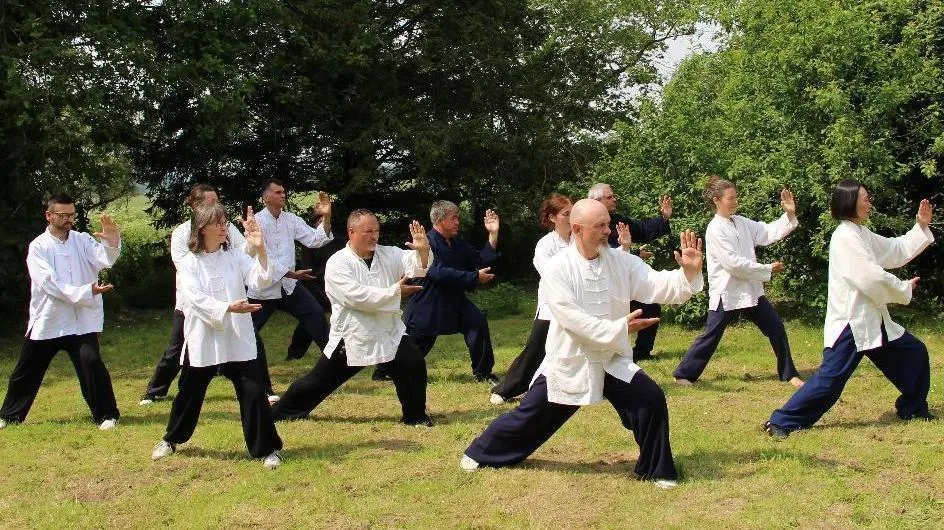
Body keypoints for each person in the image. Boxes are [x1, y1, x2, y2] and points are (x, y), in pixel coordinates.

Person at [461, 199, 704, 490]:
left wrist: (687, 273)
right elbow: (573, 321)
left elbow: (655, 285)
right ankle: (480, 451)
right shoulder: (557, 269)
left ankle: (656, 468)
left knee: (649, 399)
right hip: (570, 360)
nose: (608, 231)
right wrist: (619, 328)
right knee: (530, 418)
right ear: (577, 229)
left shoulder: (621, 261)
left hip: (611, 358)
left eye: (608, 224)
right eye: (600, 226)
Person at [764, 180, 934, 439]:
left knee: (914, 353)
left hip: (873, 319)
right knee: (830, 381)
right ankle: (781, 420)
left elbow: (894, 249)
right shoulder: (845, 237)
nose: (869, 203)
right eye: (865, 198)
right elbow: (870, 277)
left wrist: (920, 226)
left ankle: (913, 408)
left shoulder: (860, 233)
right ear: (850, 202)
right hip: (852, 322)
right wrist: (903, 288)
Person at [151, 203, 284, 469]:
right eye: (218, 223)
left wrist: (260, 248)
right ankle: (171, 439)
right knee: (189, 391)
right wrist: (227, 308)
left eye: (225, 222)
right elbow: (194, 299)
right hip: (204, 337)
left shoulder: (235, 256)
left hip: (237, 336)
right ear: (202, 229)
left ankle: (267, 449)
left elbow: (260, 279)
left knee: (253, 392)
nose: (225, 227)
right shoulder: (189, 263)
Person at [271, 209, 433, 426]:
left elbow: (416, 267)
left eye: (376, 231)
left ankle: (416, 417)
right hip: (353, 334)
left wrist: (423, 250)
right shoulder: (338, 263)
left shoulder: (388, 254)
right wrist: (395, 293)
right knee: (317, 382)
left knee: (412, 364)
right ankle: (280, 413)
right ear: (352, 232)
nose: (374, 236)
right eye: (368, 231)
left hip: (388, 329)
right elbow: (356, 297)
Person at [0, 194, 122, 431]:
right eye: (63, 215)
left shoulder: (82, 240)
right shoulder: (38, 247)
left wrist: (112, 241)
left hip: (81, 320)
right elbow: (49, 284)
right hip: (49, 318)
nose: (68, 220)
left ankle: (107, 414)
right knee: (27, 370)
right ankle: (9, 415)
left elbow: (105, 260)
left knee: (92, 362)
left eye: (71, 215)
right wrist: (86, 292)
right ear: (49, 215)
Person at [673, 177, 803, 387]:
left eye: (736, 197)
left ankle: (789, 374)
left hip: (750, 291)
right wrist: (767, 269)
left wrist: (789, 213)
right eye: (730, 198)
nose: (735, 202)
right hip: (727, 292)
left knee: (776, 327)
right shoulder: (715, 229)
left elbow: (767, 232)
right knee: (711, 335)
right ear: (717, 200)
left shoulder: (741, 222)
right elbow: (733, 264)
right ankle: (684, 374)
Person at [140, 184, 248, 405]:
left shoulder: (227, 228)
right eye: (209, 203)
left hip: (229, 298)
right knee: (178, 348)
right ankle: (155, 390)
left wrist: (256, 247)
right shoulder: (182, 233)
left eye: (217, 202)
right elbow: (184, 267)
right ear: (194, 205)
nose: (214, 207)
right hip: (192, 302)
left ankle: (262, 389)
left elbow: (244, 253)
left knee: (248, 344)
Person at [382, 200, 500, 383]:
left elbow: (481, 259)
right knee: (416, 344)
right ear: (441, 219)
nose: (457, 222)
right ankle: (385, 369)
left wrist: (493, 234)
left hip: (455, 300)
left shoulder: (456, 242)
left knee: (476, 322)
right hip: (429, 302)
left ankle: (483, 372)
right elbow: (438, 273)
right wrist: (473, 277)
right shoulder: (426, 242)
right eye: (454, 218)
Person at [249, 179, 334, 403]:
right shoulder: (257, 221)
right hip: (264, 288)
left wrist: (326, 217)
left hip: (288, 286)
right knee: (249, 332)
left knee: (315, 314)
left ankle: (335, 363)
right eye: (278, 192)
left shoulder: (290, 219)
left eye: (284, 191)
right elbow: (259, 257)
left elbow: (316, 239)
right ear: (266, 197)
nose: (283, 195)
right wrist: (290, 273)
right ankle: (263, 387)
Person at [489, 193, 573, 404]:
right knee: (536, 349)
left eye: (573, 213)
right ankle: (504, 390)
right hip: (551, 307)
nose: (571, 218)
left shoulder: (579, 240)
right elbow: (549, 273)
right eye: (566, 214)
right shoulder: (545, 245)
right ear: (553, 217)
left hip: (577, 304)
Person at [589, 183, 673, 360]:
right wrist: (633, 252)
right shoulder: (586, 224)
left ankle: (642, 352)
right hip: (596, 285)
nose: (614, 199)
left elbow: (642, 230)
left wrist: (663, 218)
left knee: (650, 307)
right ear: (596, 201)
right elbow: (599, 253)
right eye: (609, 197)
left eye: (614, 196)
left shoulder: (618, 219)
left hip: (622, 283)